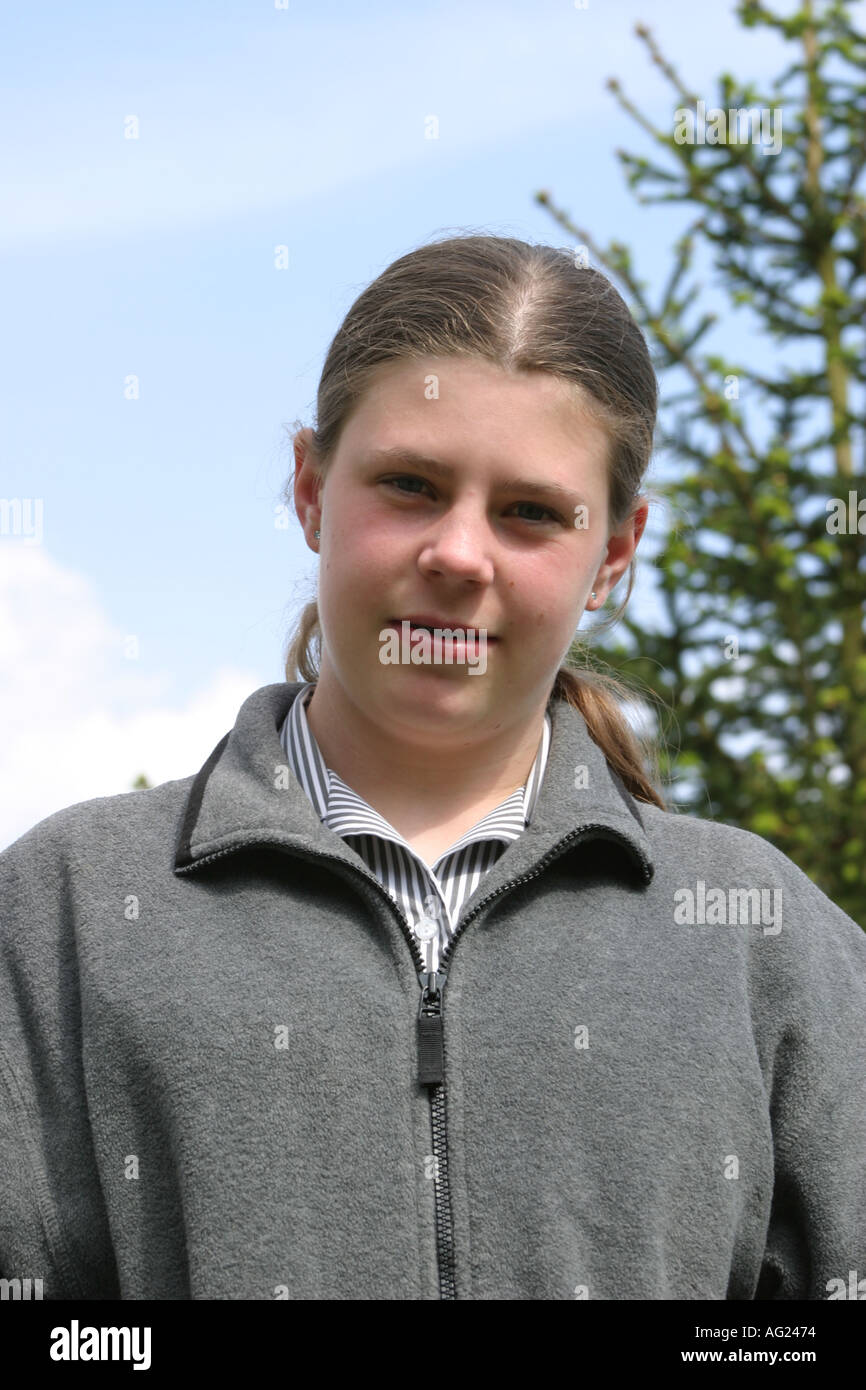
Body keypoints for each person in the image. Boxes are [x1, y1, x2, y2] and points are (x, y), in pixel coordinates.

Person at [1, 234, 864, 1302]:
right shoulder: (67, 910)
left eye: (530, 512)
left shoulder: (758, 940)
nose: (458, 554)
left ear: (615, 553)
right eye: (409, 484)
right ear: (310, 488)